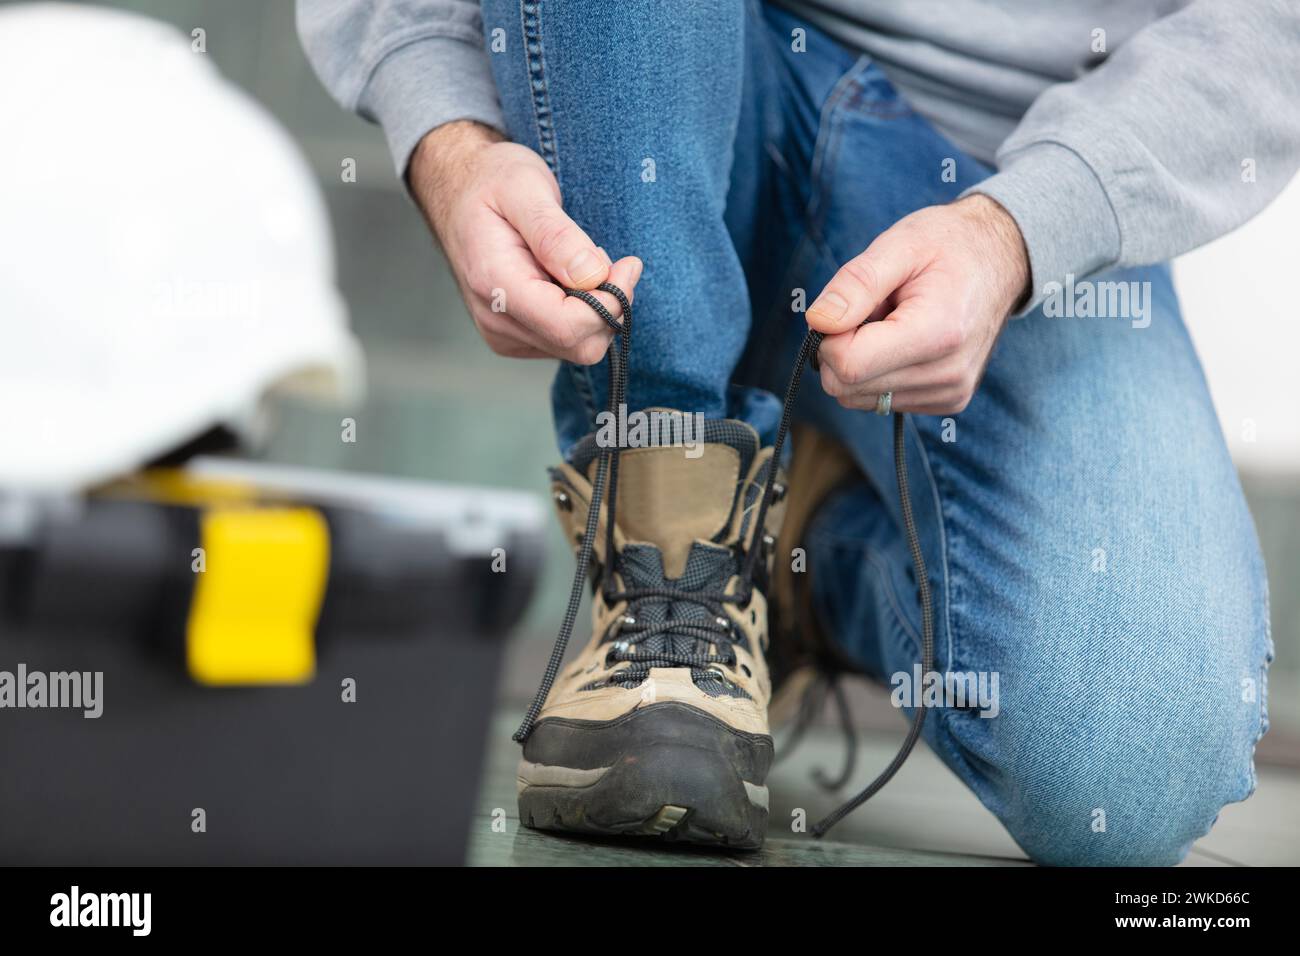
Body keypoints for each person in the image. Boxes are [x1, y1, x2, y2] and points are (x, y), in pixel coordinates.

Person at [297, 0, 1297, 864]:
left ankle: (796, 556)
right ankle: (671, 561)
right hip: (671, 73)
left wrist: (1024, 228)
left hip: (1018, 154)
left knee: (1132, 769)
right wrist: (447, 134)